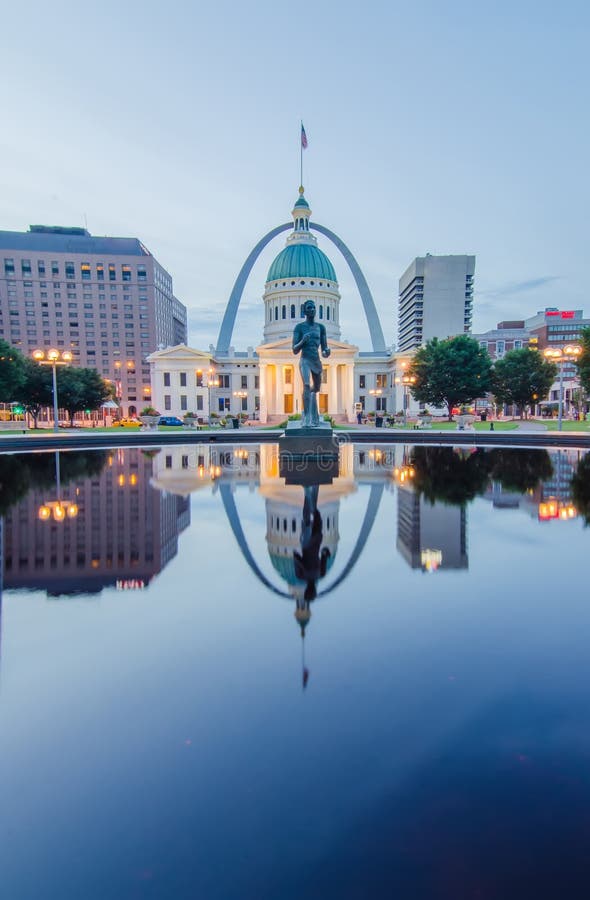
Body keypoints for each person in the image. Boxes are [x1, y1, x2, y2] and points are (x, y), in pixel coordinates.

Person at [292, 299, 330, 427]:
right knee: (307, 385)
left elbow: (324, 348)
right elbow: (294, 350)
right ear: (304, 311)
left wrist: (326, 351)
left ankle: (313, 411)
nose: (312, 310)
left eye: (313, 308)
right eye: (309, 308)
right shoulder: (299, 328)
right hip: (305, 360)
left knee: (316, 389)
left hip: (316, 360)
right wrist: (303, 341)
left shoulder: (321, 328)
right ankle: (307, 416)